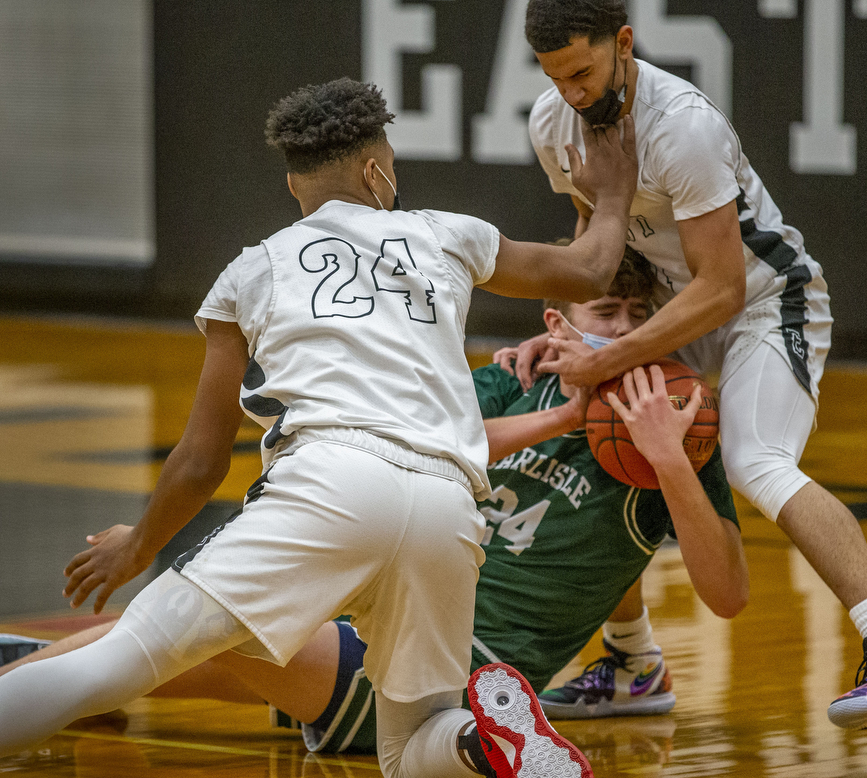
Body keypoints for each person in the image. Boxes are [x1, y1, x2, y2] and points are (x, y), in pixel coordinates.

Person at [0, 76, 641, 778]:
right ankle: (478, 743)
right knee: (411, 744)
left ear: (293, 185)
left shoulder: (252, 270)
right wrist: (612, 196)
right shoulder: (445, 233)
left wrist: (139, 544)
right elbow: (591, 270)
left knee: (113, 664)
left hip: (331, 484)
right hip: (448, 504)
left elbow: (202, 460)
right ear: (374, 170)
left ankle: (482, 743)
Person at [0, 247, 749, 758]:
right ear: (556, 325)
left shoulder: (679, 427)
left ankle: (32, 678)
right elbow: (429, 439)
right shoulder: (513, 383)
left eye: (640, 316)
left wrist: (666, 459)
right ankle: (29, 676)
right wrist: (563, 415)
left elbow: (727, 594)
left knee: (195, 619)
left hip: (463, 668)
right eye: (607, 313)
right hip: (372, 616)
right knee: (137, 658)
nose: (626, 332)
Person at [500, 0, 867, 731]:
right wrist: (573, 335)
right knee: (602, 430)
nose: (572, 93)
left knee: (757, 461)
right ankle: (633, 663)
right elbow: (601, 249)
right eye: (555, 77)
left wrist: (609, 357)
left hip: (761, 299)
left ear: (623, 43)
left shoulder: (682, 127)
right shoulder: (554, 125)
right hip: (669, 298)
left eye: (582, 72)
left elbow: (720, 288)